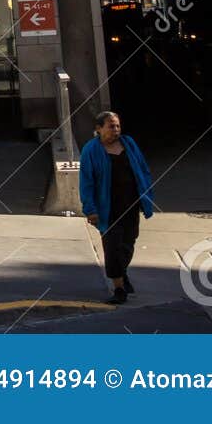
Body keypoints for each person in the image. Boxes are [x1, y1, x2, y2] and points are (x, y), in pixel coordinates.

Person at [78, 110, 154, 304]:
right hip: (107, 207)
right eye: (111, 126)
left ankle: (122, 272)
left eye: (118, 126)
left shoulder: (129, 143)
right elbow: (86, 182)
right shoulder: (91, 150)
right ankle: (119, 288)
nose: (116, 130)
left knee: (129, 243)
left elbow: (143, 169)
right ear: (99, 128)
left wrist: (146, 195)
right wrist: (90, 209)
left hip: (131, 204)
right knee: (112, 246)